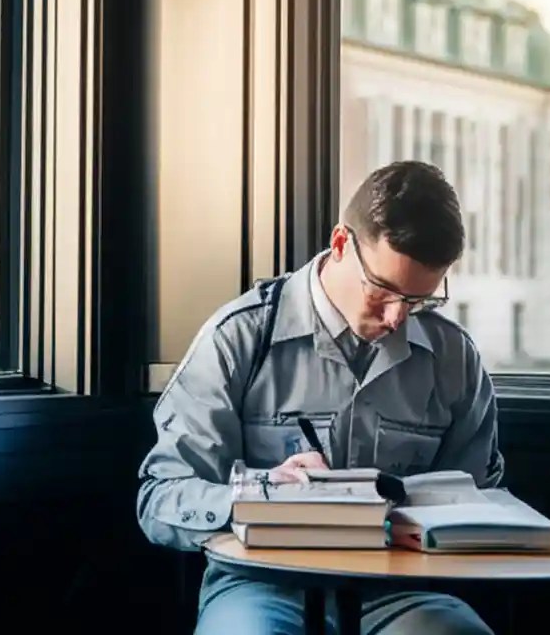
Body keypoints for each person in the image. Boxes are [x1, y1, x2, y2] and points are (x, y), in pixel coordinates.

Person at [136, 161, 503, 634]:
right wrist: (263, 496)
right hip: (261, 585)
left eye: (419, 301)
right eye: (384, 291)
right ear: (340, 244)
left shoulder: (455, 359)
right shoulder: (239, 338)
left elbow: (479, 501)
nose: (397, 317)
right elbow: (159, 498)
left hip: (404, 593)